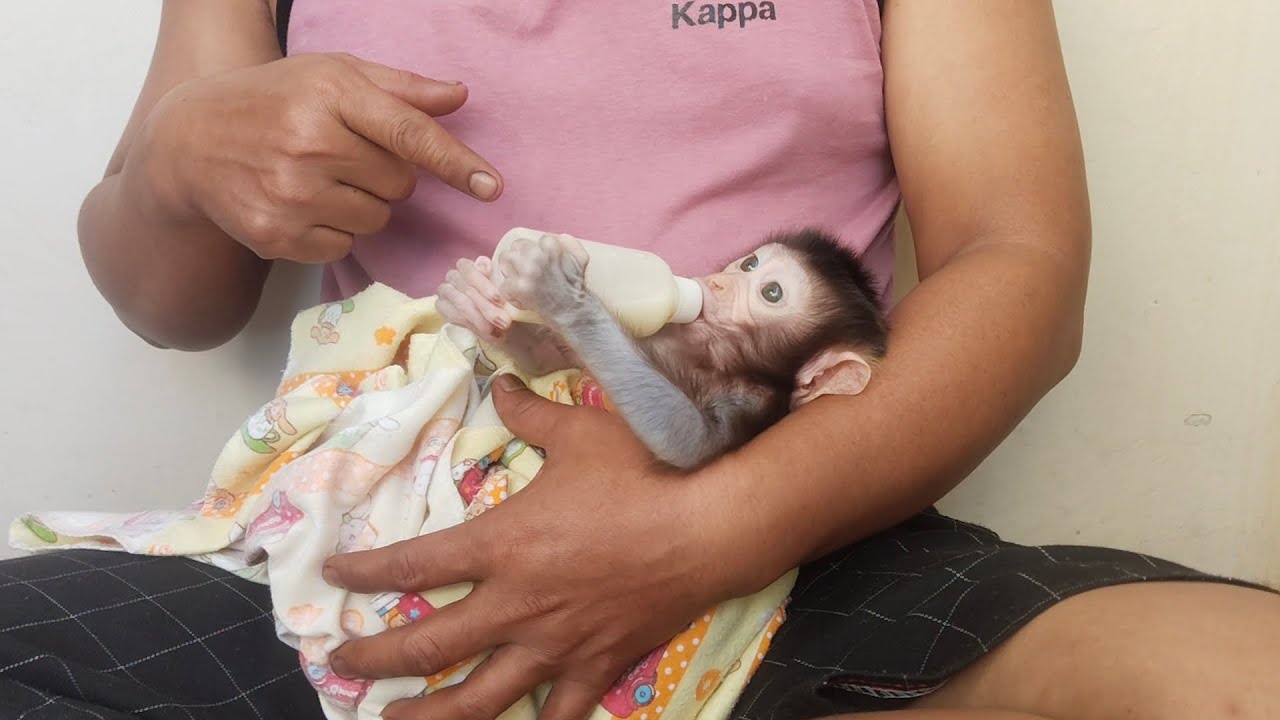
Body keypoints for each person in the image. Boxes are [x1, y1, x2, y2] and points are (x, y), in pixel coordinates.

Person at [4, 0, 1276, 718]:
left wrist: (704, 533)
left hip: (794, 540)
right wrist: (176, 163)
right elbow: (174, 300)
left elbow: (1018, 259)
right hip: (369, 552)